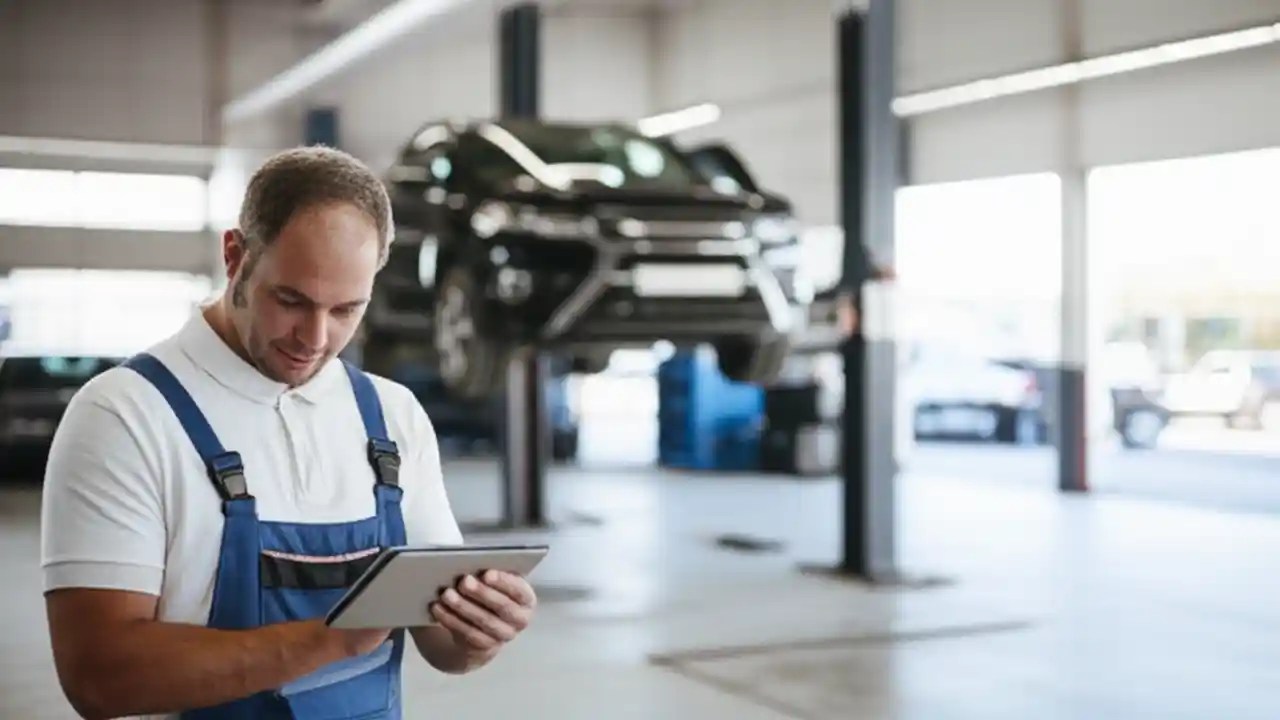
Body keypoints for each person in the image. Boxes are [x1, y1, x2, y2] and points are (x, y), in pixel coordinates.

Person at [40, 147, 537, 720]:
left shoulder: (392, 416)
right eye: (291, 300)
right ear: (236, 257)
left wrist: (479, 631)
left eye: (347, 309)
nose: (315, 338)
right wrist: (331, 639)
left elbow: (443, 646)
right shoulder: (124, 415)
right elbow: (101, 678)